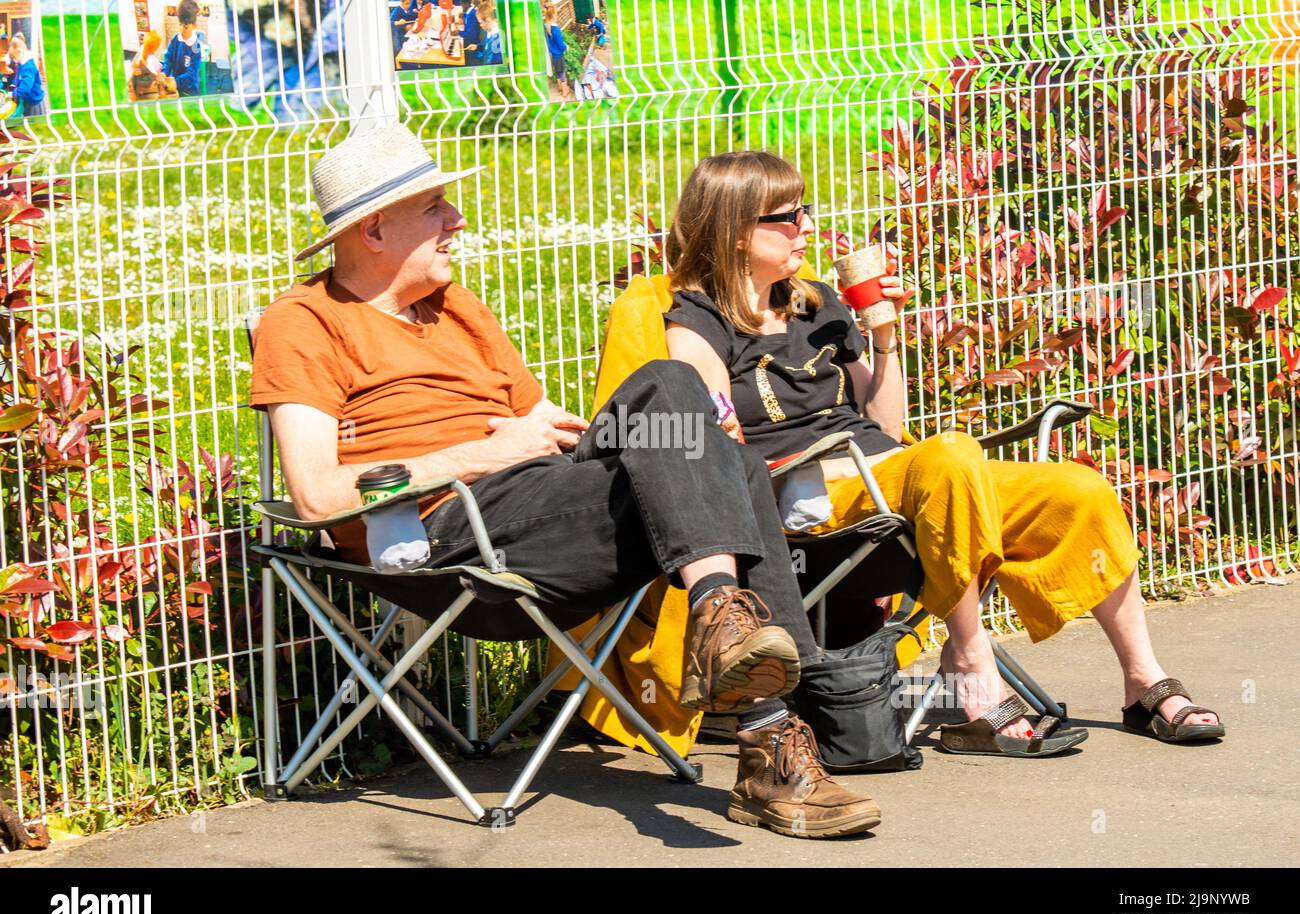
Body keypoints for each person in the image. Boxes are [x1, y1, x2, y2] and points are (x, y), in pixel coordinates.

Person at [249, 125, 882, 839]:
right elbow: (316, 495)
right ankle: (772, 739)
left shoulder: (458, 309)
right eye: (436, 208)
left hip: (549, 495)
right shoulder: (301, 323)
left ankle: (720, 619)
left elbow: (542, 421)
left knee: (686, 413)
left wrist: (659, 442)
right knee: (720, 458)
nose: (457, 220)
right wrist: (482, 455)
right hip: (452, 530)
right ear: (373, 229)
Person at [662, 151, 1226, 755]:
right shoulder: (696, 325)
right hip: (808, 494)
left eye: (806, 210)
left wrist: (883, 337)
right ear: (737, 232)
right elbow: (723, 453)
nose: (807, 226)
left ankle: (1143, 682)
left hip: (891, 474)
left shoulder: (817, 302)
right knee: (950, 457)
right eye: (788, 216)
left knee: (1074, 488)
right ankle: (972, 672)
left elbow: (884, 423)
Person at [163, 0, 204, 97]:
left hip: (189, 90)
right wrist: (164, 72)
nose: (181, 30)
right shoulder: (175, 39)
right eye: (180, 24)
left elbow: (192, 74)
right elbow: (168, 58)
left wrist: (176, 82)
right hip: (176, 85)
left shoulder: (195, 47)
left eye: (185, 27)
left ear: (194, 26)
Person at [130, 31, 177, 101]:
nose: (155, 51)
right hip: (141, 81)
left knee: (160, 78)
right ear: (151, 47)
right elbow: (151, 72)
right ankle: (162, 93)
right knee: (160, 81)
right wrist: (160, 79)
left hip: (143, 79)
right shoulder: (142, 58)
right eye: (155, 48)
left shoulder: (145, 51)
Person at [7, 33, 45, 118]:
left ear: (19, 51)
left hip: (33, 101)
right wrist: (14, 84)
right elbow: (19, 77)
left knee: (33, 123)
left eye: (14, 57)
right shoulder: (21, 63)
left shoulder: (28, 67)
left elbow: (26, 87)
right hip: (27, 99)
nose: (14, 60)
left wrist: (13, 94)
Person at [542, 6, 570, 98]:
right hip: (558, 54)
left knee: (557, 71)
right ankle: (565, 91)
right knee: (562, 72)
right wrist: (566, 47)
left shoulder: (546, 26)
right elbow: (560, 44)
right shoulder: (556, 29)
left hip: (553, 54)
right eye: (556, 14)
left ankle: (559, 87)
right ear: (554, 15)